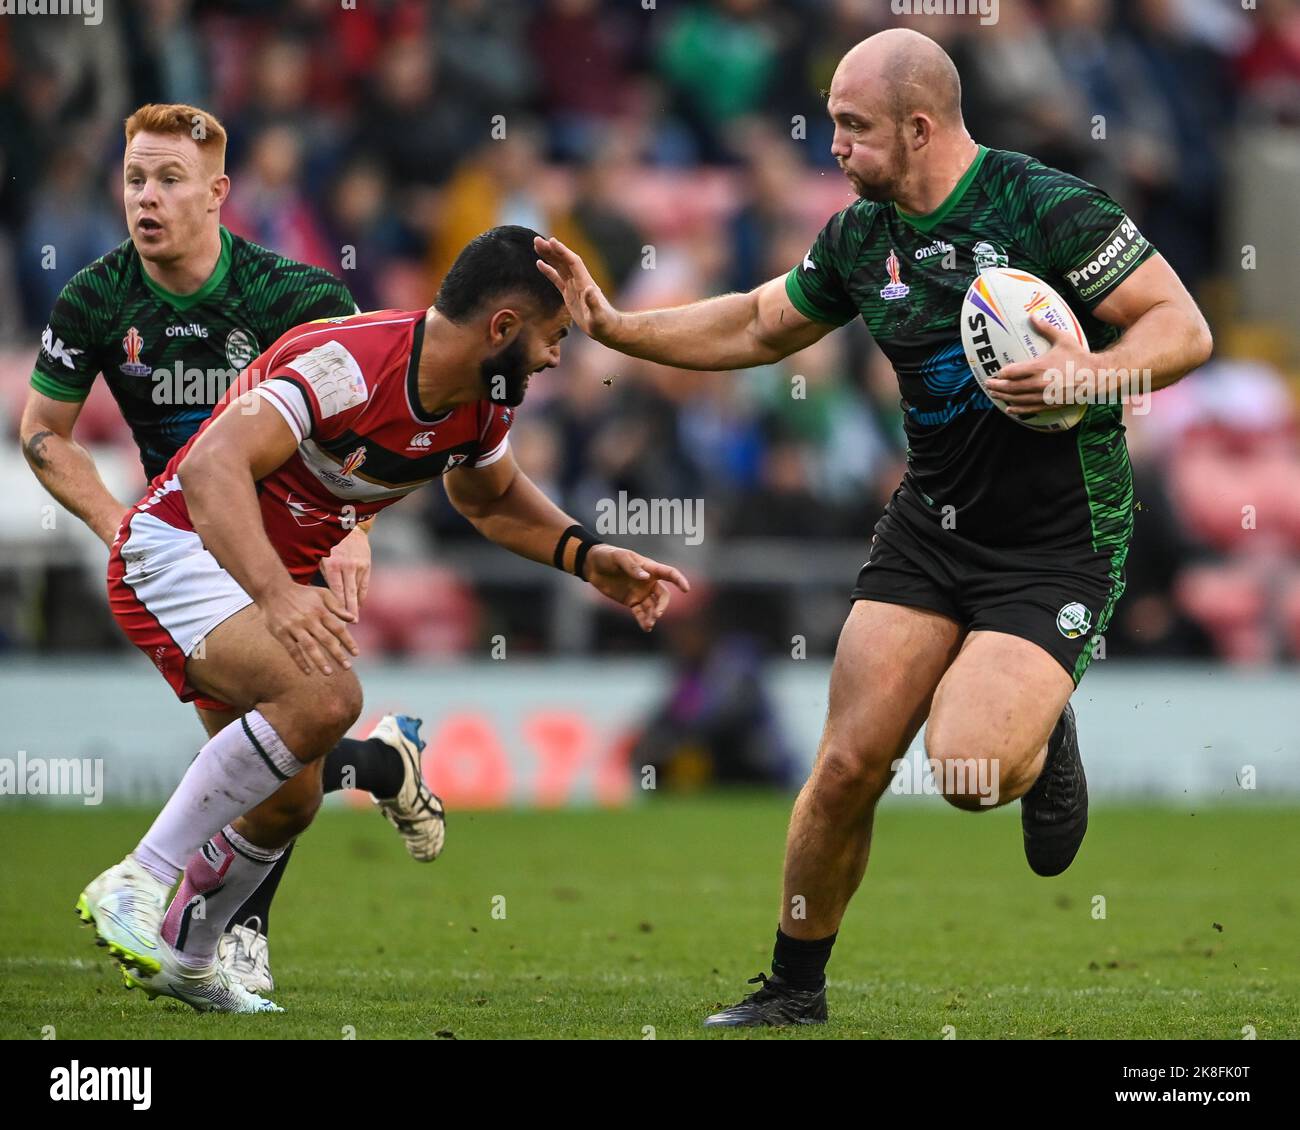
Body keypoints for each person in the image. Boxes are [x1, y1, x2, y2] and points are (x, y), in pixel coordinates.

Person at [534, 28, 1213, 1027]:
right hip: (928, 530)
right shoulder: (860, 234)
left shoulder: (1045, 206)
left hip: (1057, 541)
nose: (835, 146)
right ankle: (792, 988)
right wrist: (619, 327)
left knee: (969, 772)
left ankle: (1038, 726)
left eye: (852, 128)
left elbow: (1181, 327)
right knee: (847, 762)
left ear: (920, 126)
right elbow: (762, 323)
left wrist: (1086, 373)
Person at [75, 224, 689, 1013]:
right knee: (328, 699)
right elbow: (210, 465)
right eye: (554, 336)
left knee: (289, 802)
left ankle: (188, 960)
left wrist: (584, 553)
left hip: (253, 577)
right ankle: (138, 878)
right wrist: (278, 593)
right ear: (501, 327)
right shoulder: (347, 365)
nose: (555, 358)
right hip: (177, 551)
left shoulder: (479, 406)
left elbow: (492, 500)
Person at [20, 104, 442, 997]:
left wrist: (359, 530)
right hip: (178, 554)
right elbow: (44, 435)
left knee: (283, 786)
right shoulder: (96, 298)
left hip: (282, 552)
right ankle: (163, 898)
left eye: (170, 180)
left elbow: (377, 420)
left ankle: (195, 952)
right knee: (306, 715)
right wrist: (117, 527)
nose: (147, 197)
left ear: (218, 194)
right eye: (134, 178)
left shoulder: (297, 297)